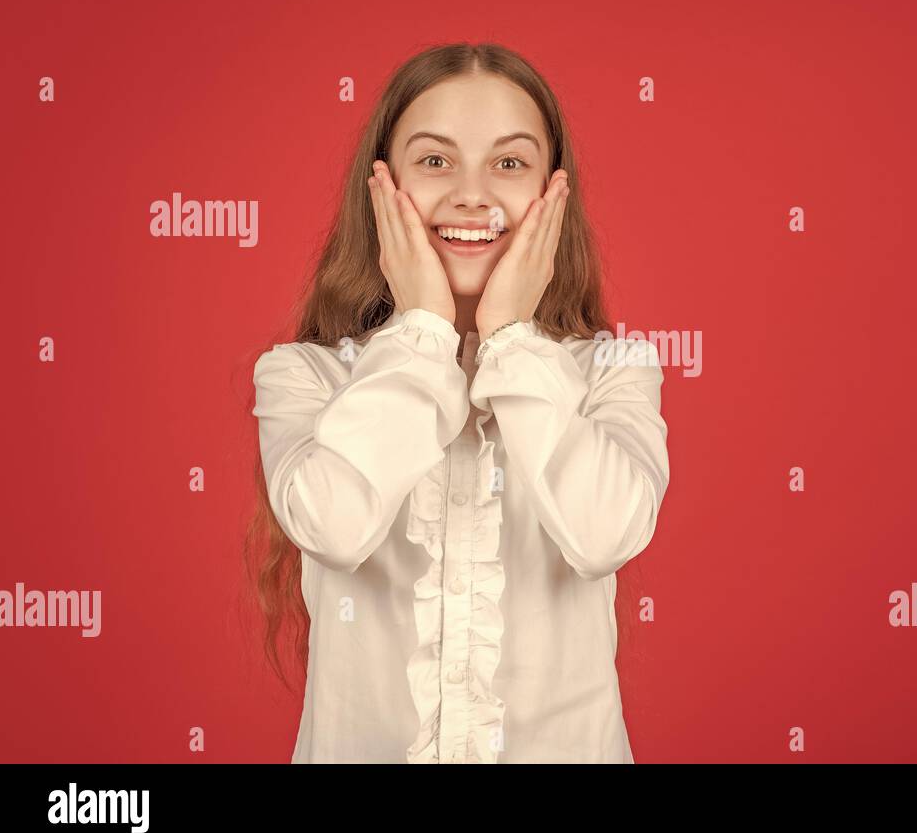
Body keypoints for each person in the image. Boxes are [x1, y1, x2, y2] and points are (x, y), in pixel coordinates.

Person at [246, 42, 670, 763]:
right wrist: (423, 331)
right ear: (382, 188)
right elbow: (335, 524)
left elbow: (605, 536)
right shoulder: (304, 378)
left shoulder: (612, 373)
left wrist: (509, 336)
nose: (473, 195)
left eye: (509, 163)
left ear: (552, 193)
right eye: (435, 161)